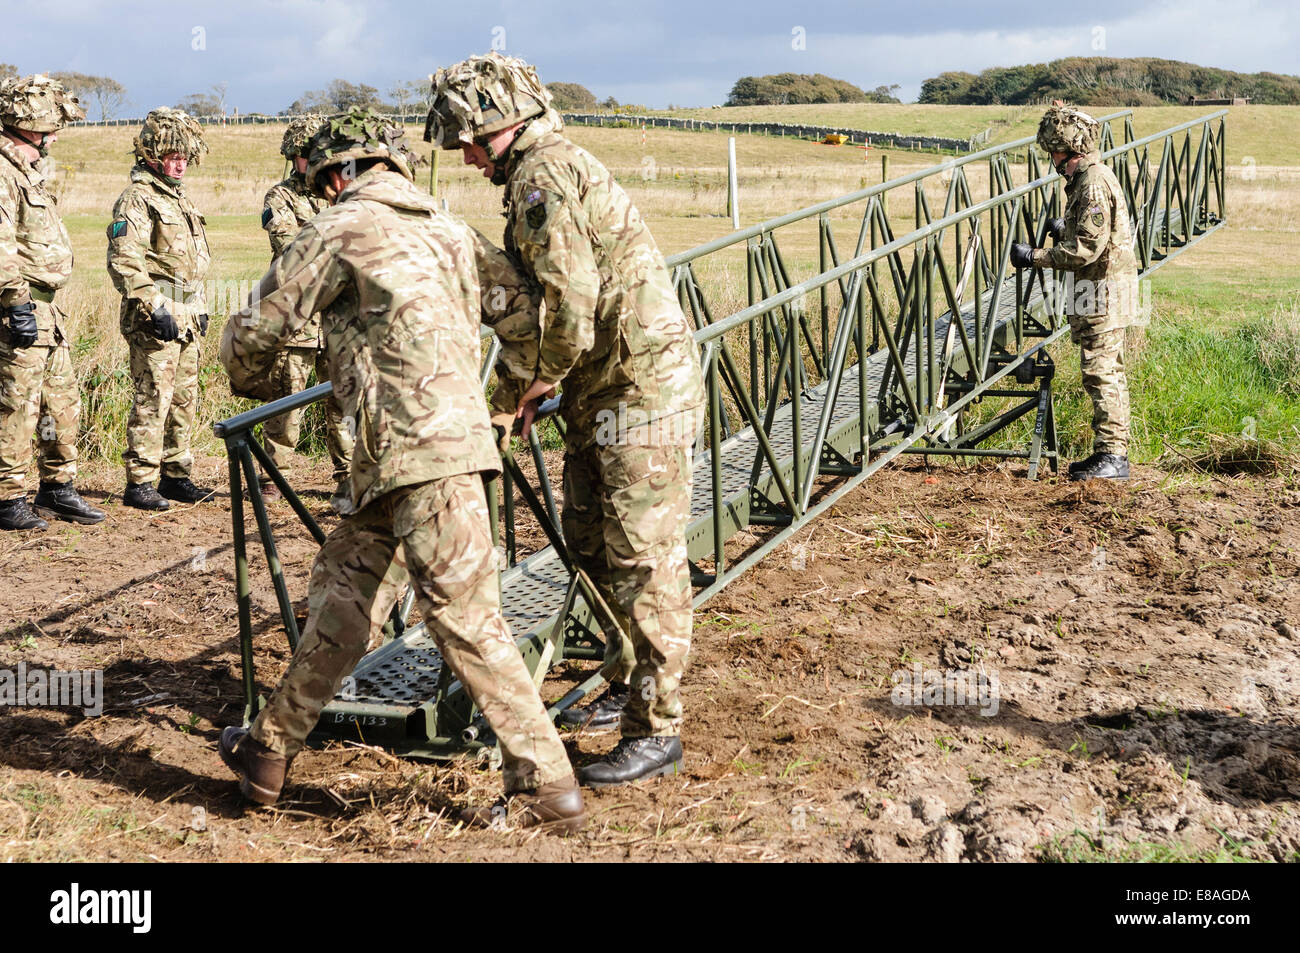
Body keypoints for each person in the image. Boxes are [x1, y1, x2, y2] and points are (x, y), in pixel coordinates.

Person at [218, 108, 584, 833]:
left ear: (338, 173)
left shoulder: (337, 230)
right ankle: (267, 749)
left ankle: (547, 782)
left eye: (323, 182)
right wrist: (509, 397)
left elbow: (254, 332)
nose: (324, 193)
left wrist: (256, 379)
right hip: (436, 454)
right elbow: (523, 316)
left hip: (406, 458)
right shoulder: (449, 230)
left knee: (466, 618)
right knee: (342, 603)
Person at [428, 53, 705, 787]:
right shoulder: (541, 167)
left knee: (644, 557)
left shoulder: (541, 176)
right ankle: (625, 680)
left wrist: (529, 384)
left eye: (466, 138)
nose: (463, 154)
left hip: (639, 392)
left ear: (497, 124)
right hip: (604, 391)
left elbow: (570, 305)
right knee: (590, 542)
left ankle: (658, 729)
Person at [1011, 102, 1139, 482]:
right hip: (1099, 290)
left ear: (1072, 150)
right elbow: (1089, 231)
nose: (1054, 161)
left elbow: (1086, 247)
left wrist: (1035, 256)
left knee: (1101, 373)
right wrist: (1064, 225)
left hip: (1103, 293)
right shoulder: (1088, 180)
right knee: (1104, 371)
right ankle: (1110, 453)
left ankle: (1113, 456)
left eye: (1056, 153)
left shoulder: (1092, 183)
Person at [0, 74, 105, 531]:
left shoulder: (29, 173)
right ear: (23, 126)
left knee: (59, 403)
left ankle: (57, 488)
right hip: (19, 307)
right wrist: (15, 302)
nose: (53, 139)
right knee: (17, 406)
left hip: (48, 309)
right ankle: (7, 497)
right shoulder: (3, 172)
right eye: (47, 131)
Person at [107, 107, 214, 510]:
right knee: (154, 397)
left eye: (186, 156)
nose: (180, 162)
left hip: (186, 312)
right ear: (151, 154)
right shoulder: (137, 198)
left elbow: (189, 261)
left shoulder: (180, 198)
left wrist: (198, 305)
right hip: (155, 315)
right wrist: (153, 305)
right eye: (173, 155)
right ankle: (141, 481)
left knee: (185, 398)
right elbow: (125, 258)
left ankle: (175, 475)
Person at [259, 113, 354, 512]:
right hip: (297, 319)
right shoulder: (280, 198)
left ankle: (349, 476)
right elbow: (290, 250)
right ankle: (271, 477)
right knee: (287, 400)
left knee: (344, 399)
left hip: (337, 318)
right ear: (293, 156)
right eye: (305, 155)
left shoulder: (341, 194)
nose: (313, 161)